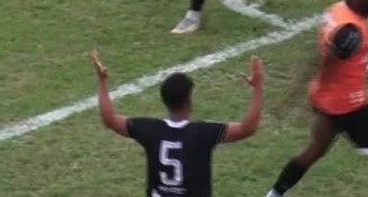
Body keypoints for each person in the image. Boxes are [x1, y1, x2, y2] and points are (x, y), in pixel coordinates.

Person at [264, 0, 368, 197]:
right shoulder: (351, 33)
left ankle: (274, 193)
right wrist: (297, 96)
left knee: (315, 149)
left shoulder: (337, 9)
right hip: (350, 105)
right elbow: (326, 59)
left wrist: (302, 93)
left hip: (325, 99)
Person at [91, 49, 264, 196]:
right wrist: (258, 88)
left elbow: (110, 119)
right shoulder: (204, 133)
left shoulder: (150, 130)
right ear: (189, 99)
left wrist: (102, 81)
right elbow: (247, 128)